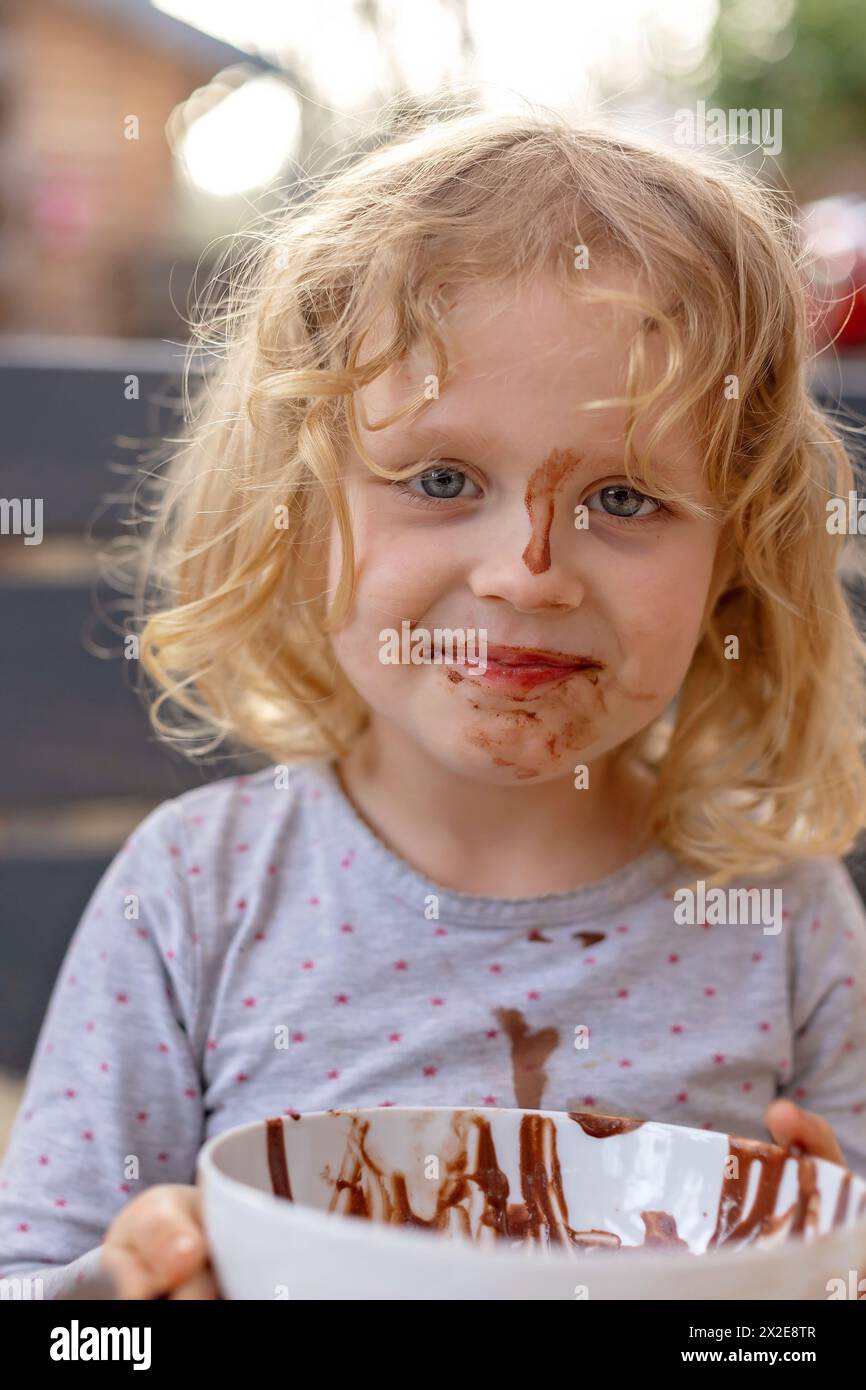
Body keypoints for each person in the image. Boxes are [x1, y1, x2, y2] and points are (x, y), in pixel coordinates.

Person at [2, 108, 866, 1300]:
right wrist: (122, 1301)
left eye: (623, 497)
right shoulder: (192, 898)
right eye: (441, 478)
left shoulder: (782, 917)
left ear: (733, 552)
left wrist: (824, 1284)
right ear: (301, 514)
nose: (528, 568)